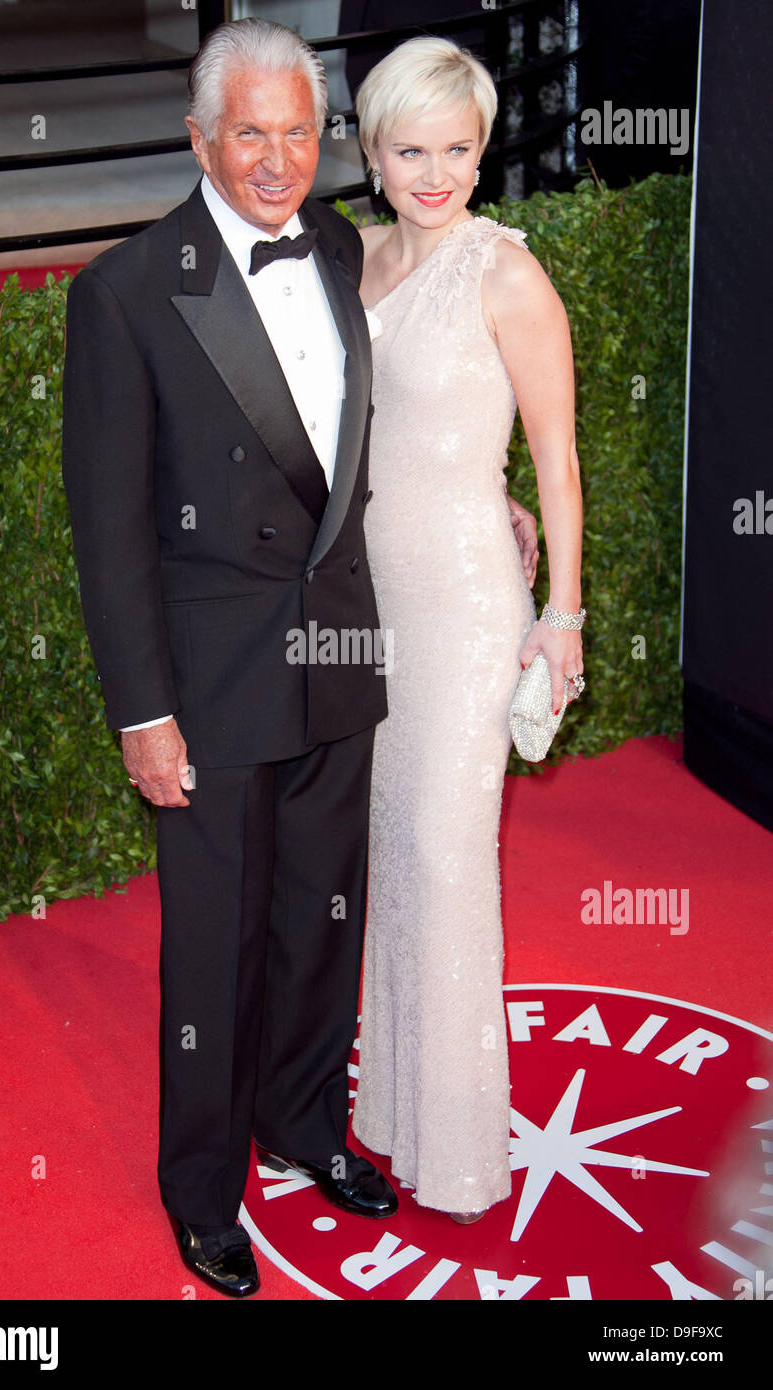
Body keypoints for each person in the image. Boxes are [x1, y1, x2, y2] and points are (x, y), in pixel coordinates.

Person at [61, 17, 402, 1300]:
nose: (275, 159)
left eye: (297, 130)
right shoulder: (129, 290)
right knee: (212, 946)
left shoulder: (336, 242)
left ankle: (304, 1123)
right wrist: (142, 711)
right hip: (209, 684)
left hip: (336, 651)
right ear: (199, 136)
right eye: (247, 132)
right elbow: (109, 531)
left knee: (322, 917)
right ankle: (202, 1189)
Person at [350, 36, 585, 1222]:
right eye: (410, 150)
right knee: (392, 855)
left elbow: (554, 457)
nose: (434, 173)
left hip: (464, 605)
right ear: (373, 151)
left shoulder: (504, 274)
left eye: (457, 149)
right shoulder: (356, 263)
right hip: (369, 609)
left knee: (446, 861)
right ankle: (390, 1106)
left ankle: (455, 1152)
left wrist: (563, 616)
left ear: (482, 152)